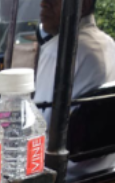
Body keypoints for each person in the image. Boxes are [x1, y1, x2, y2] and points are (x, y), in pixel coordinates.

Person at [35, 0, 115, 171]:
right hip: (104, 169)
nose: (43, 3)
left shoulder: (59, 50)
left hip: (64, 175)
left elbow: (38, 127)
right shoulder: (109, 44)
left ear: (83, 4)